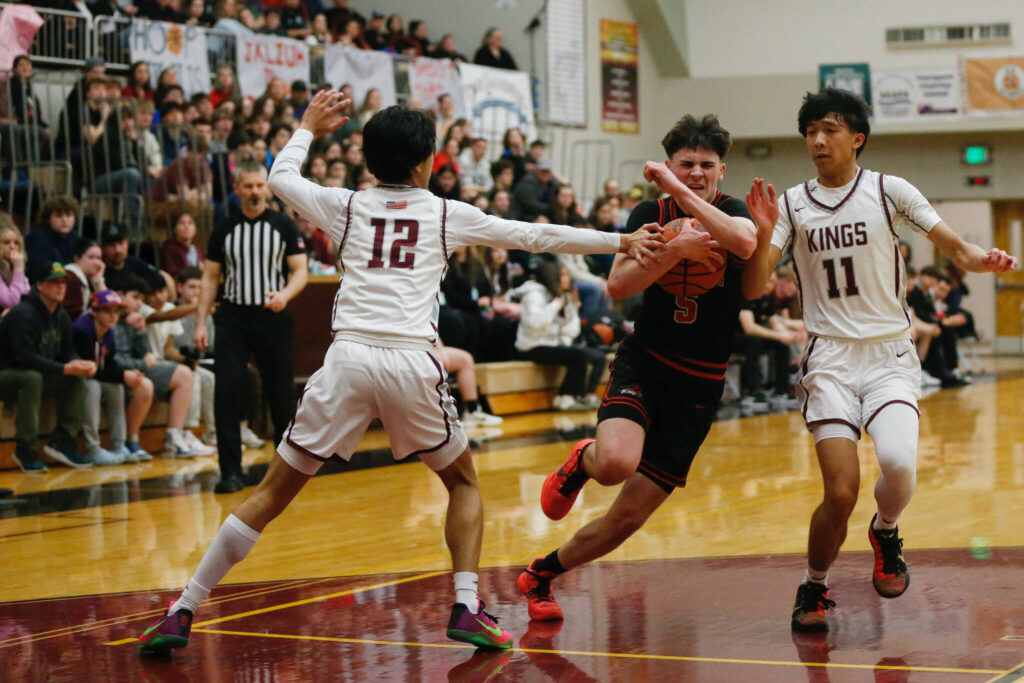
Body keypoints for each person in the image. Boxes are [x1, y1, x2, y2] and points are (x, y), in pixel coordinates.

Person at [136, 93, 663, 655]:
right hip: (411, 360)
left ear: (369, 162)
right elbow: (533, 235)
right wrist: (620, 240)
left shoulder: (347, 205)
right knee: (461, 483)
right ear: (425, 163)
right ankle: (466, 604)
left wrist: (308, 126)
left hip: (347, 361)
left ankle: (184, 607)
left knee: (268, 494)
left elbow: (283, 177)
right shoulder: (444, 213)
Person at [743, 88, 1018, 633]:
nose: (818, 140)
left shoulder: (890, 190)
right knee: (840, 491)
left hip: (891, 354)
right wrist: (758, 233)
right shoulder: (792, 205)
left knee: (898, 464)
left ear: (857, 137)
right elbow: (753, 288)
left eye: (830, 130)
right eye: (810, 132)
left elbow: (958, 251)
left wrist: (984, 261)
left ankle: (886, 529)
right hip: (830, 361)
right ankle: (814, 586)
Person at [516, 114, 758, 625]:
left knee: (629, 517)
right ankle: (584, 461)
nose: (696, 172)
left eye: (706, 165)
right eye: (685, 164)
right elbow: (619, 286)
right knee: (616, 464)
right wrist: (674, 249)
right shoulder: (649, 211)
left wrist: (686, 206)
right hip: (647, 361)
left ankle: (540, 573)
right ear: (670, 165)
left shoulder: (734, 210)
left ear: (722, 170)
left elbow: (744, 244)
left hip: (701, 383)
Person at [194, 160, 308, 494]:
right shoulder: (224, 229)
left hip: (273, 316)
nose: (255, 191)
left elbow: (299, 270)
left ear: (268, 188)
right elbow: (210, 277)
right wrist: (201, 322)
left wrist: (284, 295)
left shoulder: (284, 226)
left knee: (280, 395)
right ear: (237, 189)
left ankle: (285, 472)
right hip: (233, 317)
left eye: (260, 185)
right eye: (249, 186)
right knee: (226, 392)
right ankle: (230, 471)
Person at [0, 263, 96, 472]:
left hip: (36, 375)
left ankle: (62, 441)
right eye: (54, 282)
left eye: (63, 282)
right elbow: (24, 359)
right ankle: (25, 449)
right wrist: (64, 369)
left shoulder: (60, 315)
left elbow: (67, 350)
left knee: (76, 377)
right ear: (40, 285)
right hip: (6, 375)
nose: (61, 287)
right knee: (31, 377)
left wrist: (78, 362)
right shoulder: (23, 314)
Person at [72, 290, 155, 465]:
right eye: (107, 311)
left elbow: (108, 365)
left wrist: (128, 374)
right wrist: (123, 375)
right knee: (93, 386)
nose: (113, 316)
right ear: (94, 311)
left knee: (116, 386)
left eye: (117, 312)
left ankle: (120, 445)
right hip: (73, 377)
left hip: (93, 374)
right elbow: (88, 369)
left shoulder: (109, 332)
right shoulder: (81, 330)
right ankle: (92, 448)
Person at [515, 262, 607, 411]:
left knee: (598, 356)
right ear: (552, 276)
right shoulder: (534, 294)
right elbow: (535, 323)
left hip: (553, 344)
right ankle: (565, 398)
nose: (567, 279)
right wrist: (556, 304)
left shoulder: (561, 295)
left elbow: (572, 331)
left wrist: (573, 307)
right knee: (578, 356)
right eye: (563, 275)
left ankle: (586, 396)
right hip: (531, 346)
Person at [25, 196, 81, 277]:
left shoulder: (74, 237)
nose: (64, 220)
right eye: (59, 216)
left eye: (68, 215)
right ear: (48, 219)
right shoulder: (37, 237)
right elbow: (41, 268)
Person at [1, 221, 30, 313]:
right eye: (6, 242)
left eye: (16, 243)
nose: (12, 246)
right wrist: (18, 269)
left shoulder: (14, 268)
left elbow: (27, 298)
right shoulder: (18, 268)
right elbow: (11, 302)